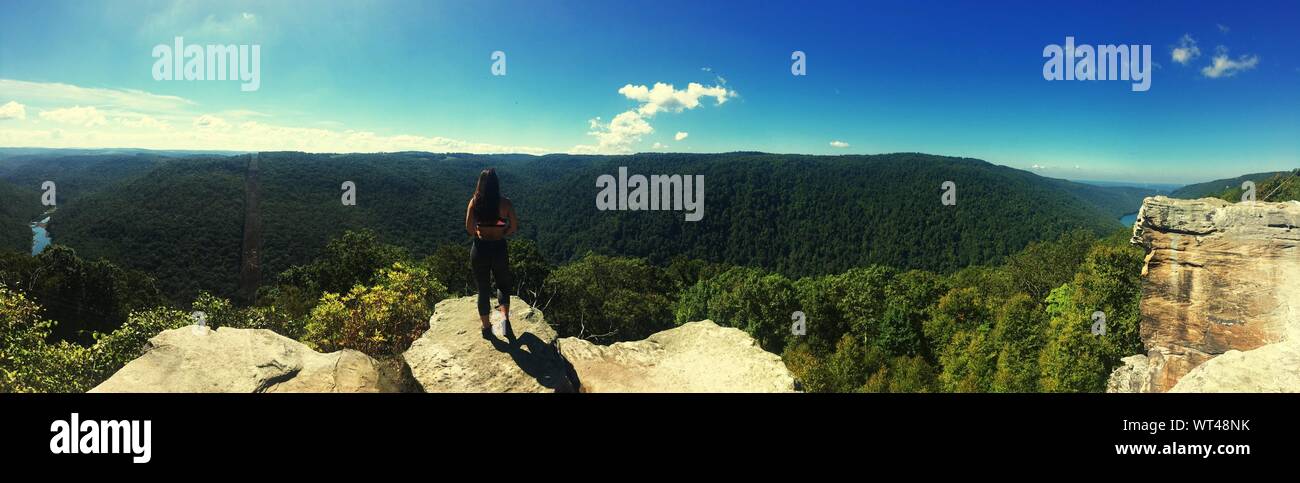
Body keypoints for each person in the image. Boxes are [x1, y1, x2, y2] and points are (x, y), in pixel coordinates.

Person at [465, 168, 517, 338]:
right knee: (502, 284)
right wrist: (502, 231)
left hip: (481, 248)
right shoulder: (505, 203)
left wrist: (481, 231)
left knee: (483, 288)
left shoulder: (475, 202)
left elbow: (470, 228)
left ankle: (486, 327)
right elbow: (513, 227)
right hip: (499, 247)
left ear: (480, 183)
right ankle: (504, 320)